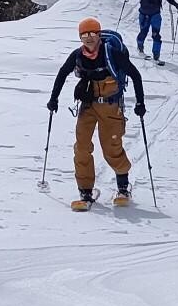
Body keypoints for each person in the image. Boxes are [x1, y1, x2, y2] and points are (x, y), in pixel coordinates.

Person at [46, 17, 145, 210]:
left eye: (92, 34)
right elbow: (62, 73)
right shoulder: (78, 55)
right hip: (88, 106)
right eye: (84, 35)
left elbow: (135, 75)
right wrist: (53, 99)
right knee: (81, 147)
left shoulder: (112, 54)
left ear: (99, 35)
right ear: (80, 38)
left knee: (111, 148)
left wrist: (140, 102)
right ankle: (85, 191)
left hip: (110, 106)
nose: (89, 38)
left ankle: (123, 187)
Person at [122, 0, 178, 64]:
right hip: (144, 14)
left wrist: (176, 5)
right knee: (143, 32)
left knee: (156, 35)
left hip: (155, 15)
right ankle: (140, 47)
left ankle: (156, 55)